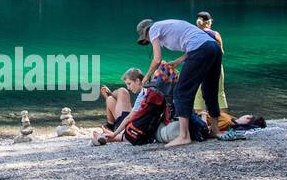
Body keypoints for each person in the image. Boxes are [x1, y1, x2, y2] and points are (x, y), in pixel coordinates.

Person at [136, 17, 222, 147]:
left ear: (145, 33)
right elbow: (194, 44)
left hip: (200, 49)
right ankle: (215, 130)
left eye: (146, 40)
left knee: (181, 92)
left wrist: (146, 76)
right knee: (210, 89)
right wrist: (177, 62)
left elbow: (157, 59)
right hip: (213, 47)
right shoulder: (168, 24)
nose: (147, 41)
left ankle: (184, 136)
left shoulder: (153, 29)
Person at [191, 11, 232, 129]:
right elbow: (221, 52)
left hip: (199, 68)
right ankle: (224, 120)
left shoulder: (194, 34)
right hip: (216, 67)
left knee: (198, 94)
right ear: (209, 22)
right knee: (219, 92)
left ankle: (200, 121)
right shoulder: (215, 34)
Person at [94, 68, 146, 141]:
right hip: (133, 123)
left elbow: (129, 118)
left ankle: (110, 125)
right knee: (111, 99)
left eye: (129, 83)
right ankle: (110, 125)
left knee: (121, 92)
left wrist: (114, 134)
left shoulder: (144, 94)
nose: (128, 87)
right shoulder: (146, 92)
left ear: (137, 81)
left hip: (130, 126)